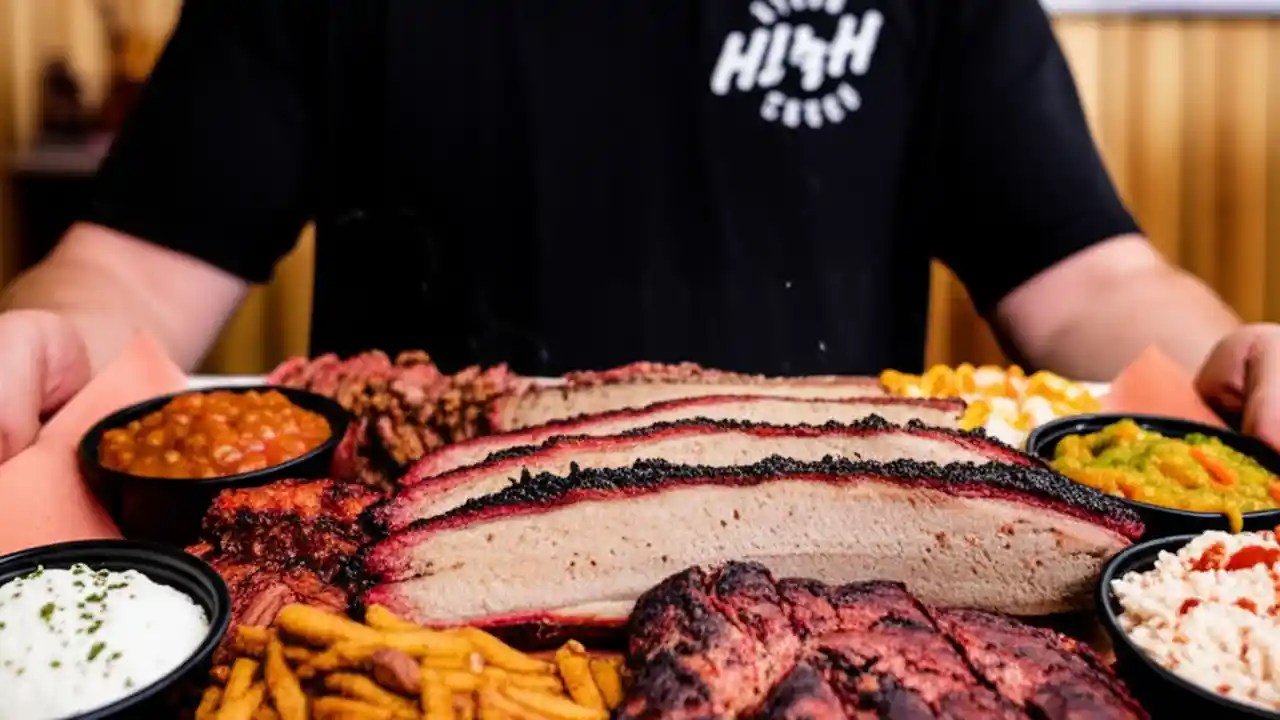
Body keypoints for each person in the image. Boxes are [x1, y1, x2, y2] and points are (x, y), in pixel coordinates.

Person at [0, 0, 1276, 462]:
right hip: (398, 579)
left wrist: (1231, 361)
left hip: (828, 560)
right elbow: (128, 264)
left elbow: (1090, 277)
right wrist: (34, 342)